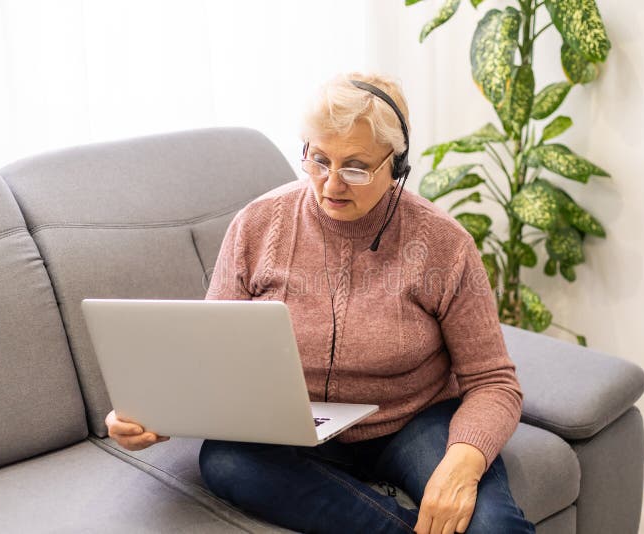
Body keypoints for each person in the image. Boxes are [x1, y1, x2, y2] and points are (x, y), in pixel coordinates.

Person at [105, 72, 535, 534]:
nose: (331, 185)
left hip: (414, 420)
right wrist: (149, 411)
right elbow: (209, 361)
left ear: (397, 166)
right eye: (318, 159)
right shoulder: (258, 226)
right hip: (292, 426)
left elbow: (494, 381)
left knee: (494, 527)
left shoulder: (444, 245)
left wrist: (464, 463)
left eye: (355, 167)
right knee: (227, 461)